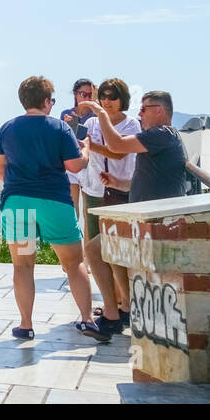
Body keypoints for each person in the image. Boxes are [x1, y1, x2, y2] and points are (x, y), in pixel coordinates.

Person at [0, 76, 109, 342]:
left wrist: (19, 186)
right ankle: (87, 320)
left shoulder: (7, 128)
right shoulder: (59, 128)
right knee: (74, 262)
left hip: (18, 202)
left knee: (22, 266)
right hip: (54, 201)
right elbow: (75, 166)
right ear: (46, 101)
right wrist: (87, 150)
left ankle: (25, 325)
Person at [77, 89, 189, 337]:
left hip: (154, 226)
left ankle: (115, 314)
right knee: (103, 251)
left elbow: (116, 145)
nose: (139, 113)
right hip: (144, 223)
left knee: (94, 251)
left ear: (159, 111)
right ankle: (123, 310)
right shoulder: (159, 139)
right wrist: (118, 183)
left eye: (144, 108)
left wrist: (100, 113)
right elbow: (144, 182)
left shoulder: (161, 134)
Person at [78, 79, 140, 324]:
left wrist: (91, 145)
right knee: (98, 251)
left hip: (120, 192)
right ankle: (112, 303)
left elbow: (119, 151)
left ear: (122, 98)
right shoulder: (92, 123)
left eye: (112, 96)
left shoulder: (131, 123)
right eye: (103, 96)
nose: (107, 100)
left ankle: (126, 303)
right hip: (94, 189)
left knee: (117, 250)